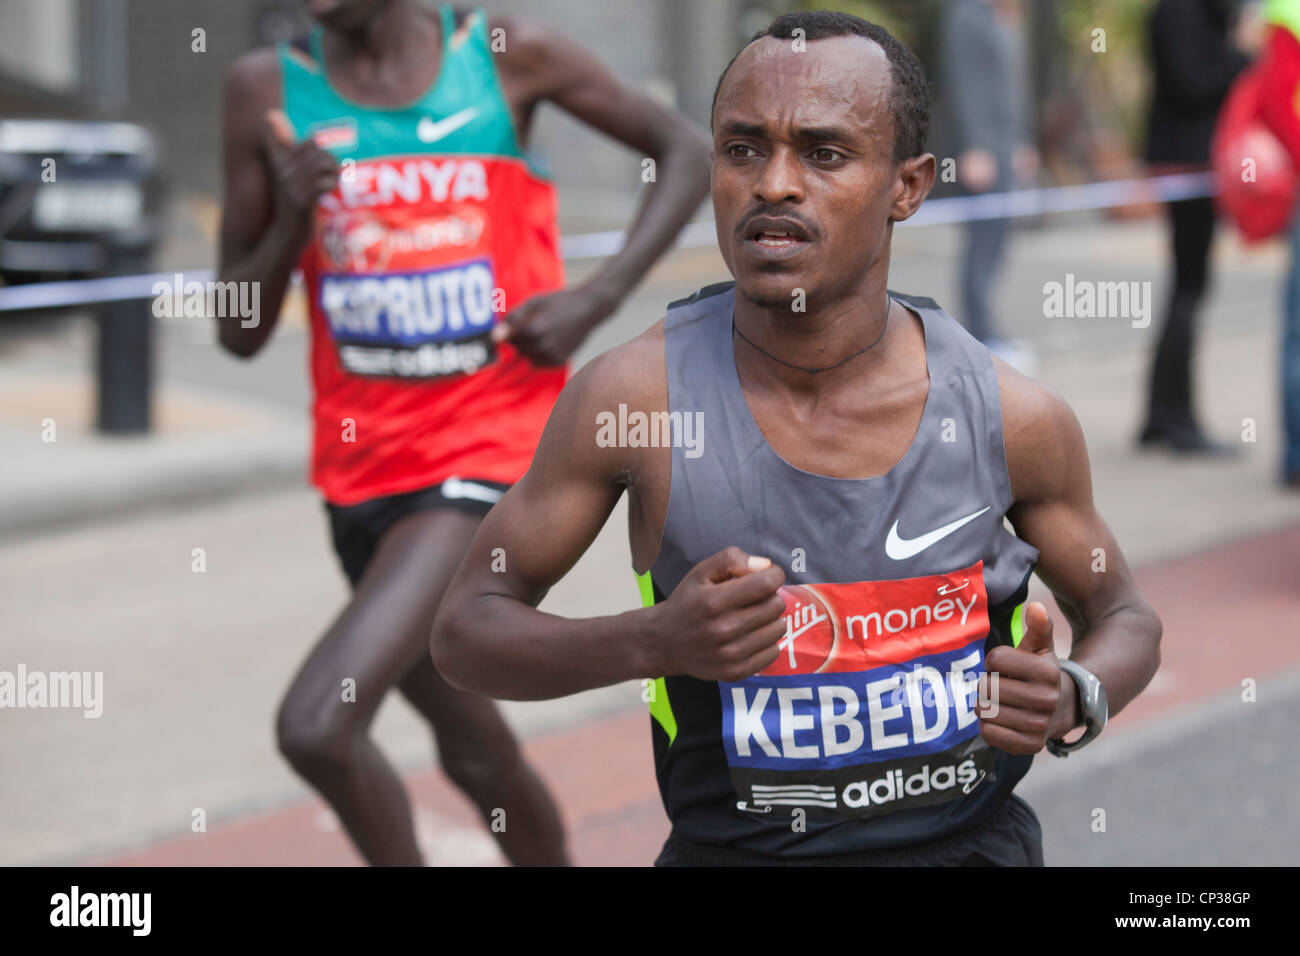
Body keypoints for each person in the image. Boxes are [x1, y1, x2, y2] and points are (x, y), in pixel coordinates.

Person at [432, 11, 1162, 866]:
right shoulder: (635, 399)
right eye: (743, 150)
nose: (773, 184)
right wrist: (655, 642)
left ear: (910, 186)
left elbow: (1124, 614)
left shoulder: (1010, 413)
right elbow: (466, 630)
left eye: (823, 153)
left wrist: (1077, 693)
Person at [213, 0, 711, 865]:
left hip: (484, 456)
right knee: (477, 751)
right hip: (362, 478)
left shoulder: (504, 53)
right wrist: (292, 218)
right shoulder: (264, 91)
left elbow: (687, 152)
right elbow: (237, 326)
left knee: (318, 726)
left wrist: (596, 297)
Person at [1141, 0, 1253, 454]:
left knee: (1186, 286)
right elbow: (1192, 82)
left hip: (1191, 159)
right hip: (1187, 160)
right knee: (1189, 286)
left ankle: (1159, 413)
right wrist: (1243, 56)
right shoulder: (1180, 12)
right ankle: (1177, 419)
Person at [937, 0, 1039, 375]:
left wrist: (1022, 141)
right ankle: (976, 331)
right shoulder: (966, 14)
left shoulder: (1009, 14)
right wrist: (974, 146)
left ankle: (988, 326)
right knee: (981, 244)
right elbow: (966, 84)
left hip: (1007, 147)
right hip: (982, 149)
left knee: (999, 241)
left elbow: (1013, 85)